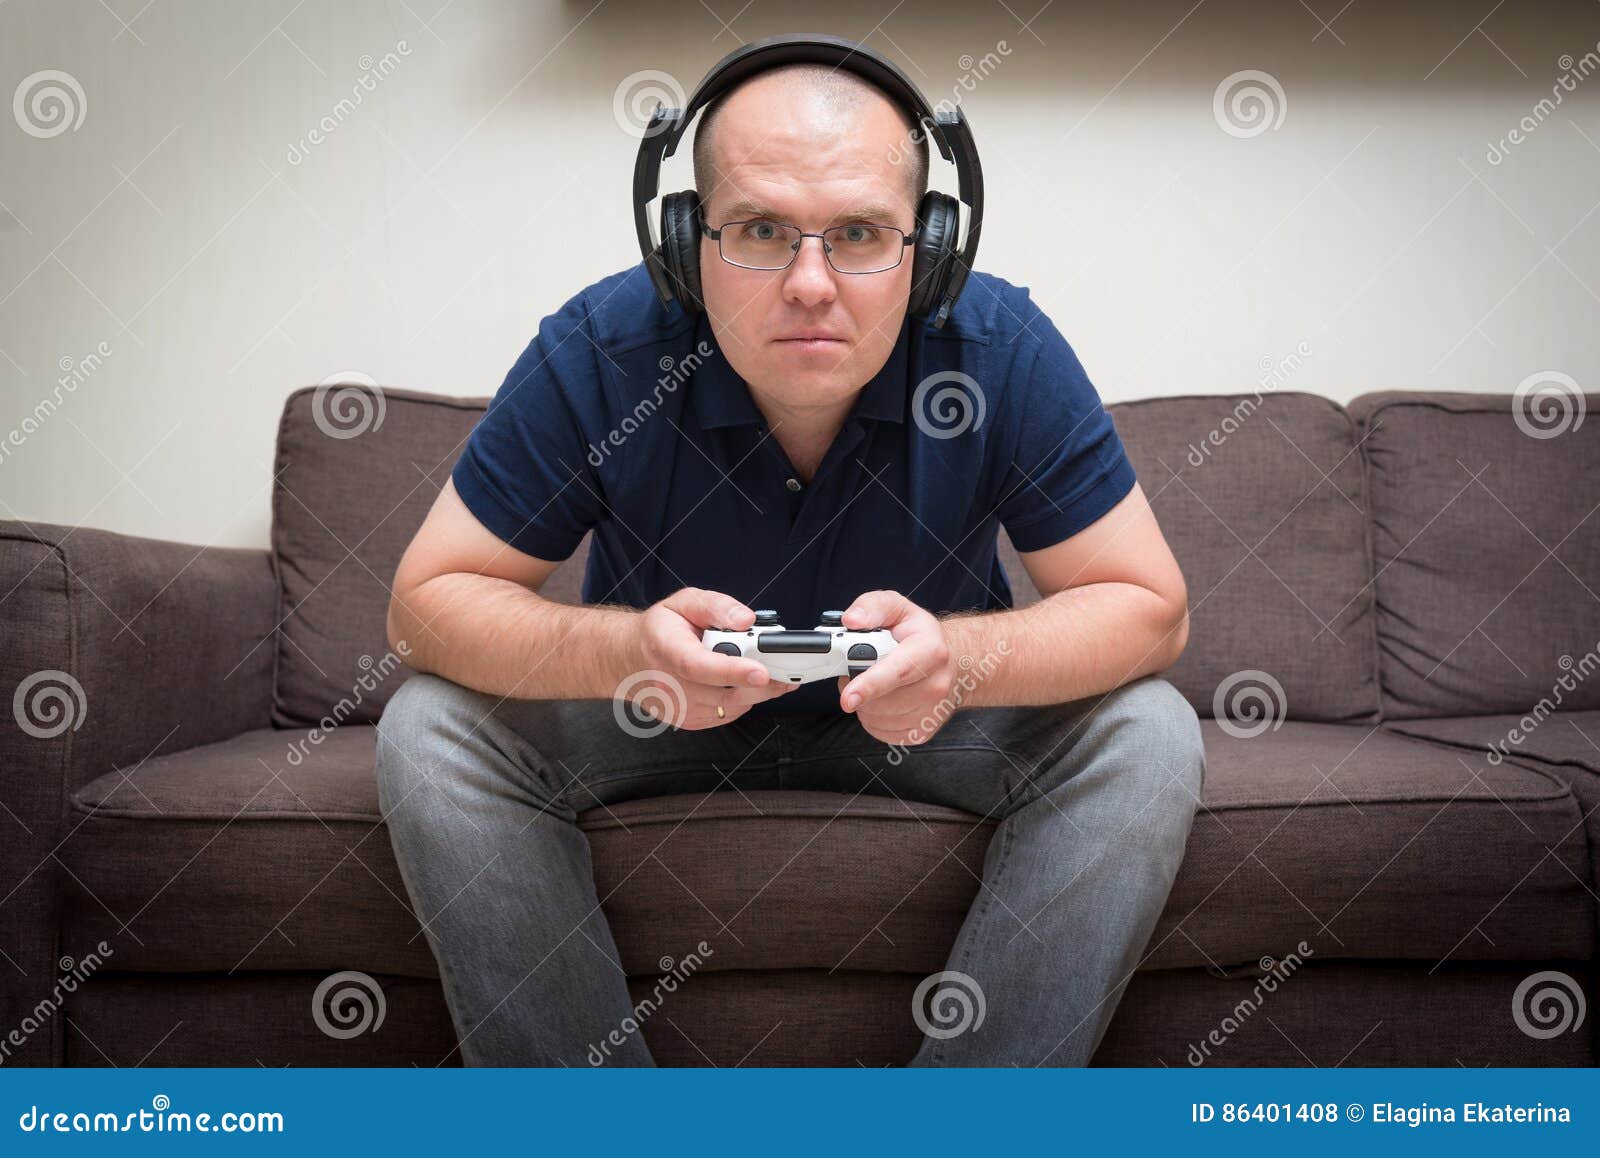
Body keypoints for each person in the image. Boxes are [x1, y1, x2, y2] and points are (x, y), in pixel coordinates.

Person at [375, 44, 1204, 1067]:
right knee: (431, 726)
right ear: (684, 242)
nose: (811, 285)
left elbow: (1149, 607)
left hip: (922, 723)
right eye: (761, 231)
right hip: (658, 714)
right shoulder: (600, 350)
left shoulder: (999, 347)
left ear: (932, 246)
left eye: (859, 234)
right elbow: (425, 603)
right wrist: (625, 652)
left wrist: (958, 661)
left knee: (1147, 732)